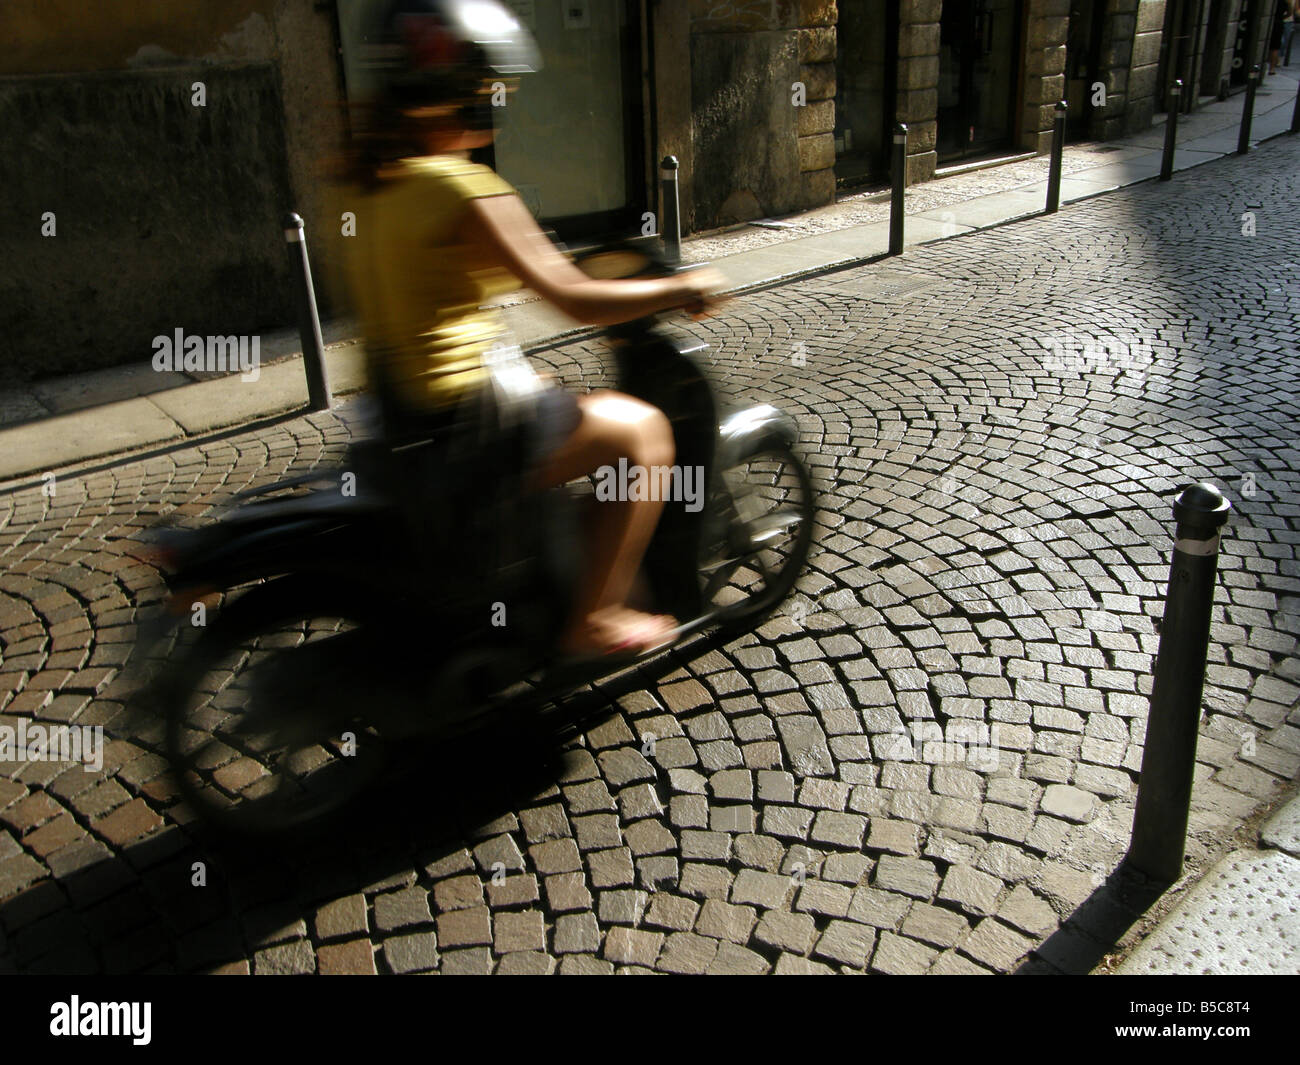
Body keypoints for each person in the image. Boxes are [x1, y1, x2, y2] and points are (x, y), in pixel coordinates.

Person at [340, 0, 726, 660]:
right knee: (643, 433)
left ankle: (550, 573)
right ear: (471, 93)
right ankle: (594, 618)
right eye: (494, 89)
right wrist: (684, 285)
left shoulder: (366, 183)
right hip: (465, 425)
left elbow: (433, 310)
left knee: (561, 400)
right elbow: (575, 297)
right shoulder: (464, 188)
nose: (498, 103)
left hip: (400, 414)